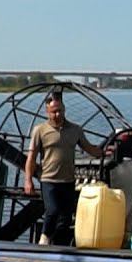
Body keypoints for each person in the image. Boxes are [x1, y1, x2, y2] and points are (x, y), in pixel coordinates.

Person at [23, 90, 105, 245]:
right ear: (47, 112)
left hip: (68, 180)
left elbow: (88, 148)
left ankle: (58, 246)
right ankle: (44, 239)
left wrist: (103, 152)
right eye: (53, 112)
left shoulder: (75, 130)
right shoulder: (40, 130)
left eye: (60, 110)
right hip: (49, 180)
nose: (57, 114)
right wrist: (28, 180)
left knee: (66, 218)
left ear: (64, 109)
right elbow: (31, 158)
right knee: (52, 211)